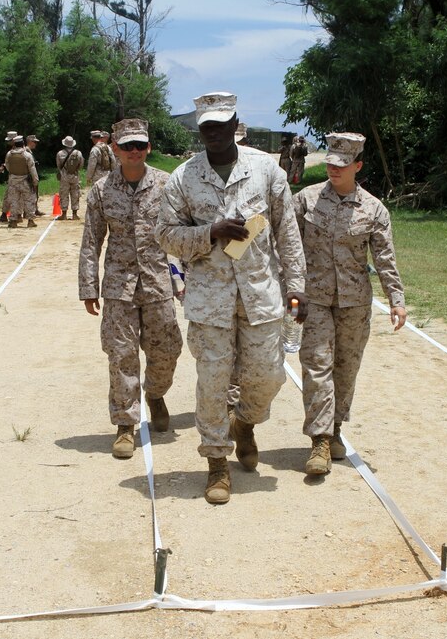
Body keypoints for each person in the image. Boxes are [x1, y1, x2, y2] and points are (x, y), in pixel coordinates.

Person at [157, 91, 307, 505]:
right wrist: (210, 232)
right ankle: (217, 463)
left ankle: (244, 423)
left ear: (234, 122)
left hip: (260, 295)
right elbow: (165, 235)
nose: (214, 132)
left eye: (221, 124)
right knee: (212, 384)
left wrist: (297, 286)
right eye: (206, 126)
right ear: (199, 128)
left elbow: (287, 232)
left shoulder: (265, 169)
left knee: (268, 376)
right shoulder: (183, 178)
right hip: (210, 301)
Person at [293, 133, 407, 475]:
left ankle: (335, 429)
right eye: (329, 162)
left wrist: (396, 300)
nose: (333, 169)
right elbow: (287, 247)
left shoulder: (374, 209)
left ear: (357, 165)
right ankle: (319, 441)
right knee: (317, 365)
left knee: (346, 369)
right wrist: (288, 290)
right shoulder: (306, 201)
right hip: (314, 299)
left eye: (341, 165)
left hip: (355, 303)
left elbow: (385, 258)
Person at [79, 118, 183, 459]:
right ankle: (125, 424)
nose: (134, 152)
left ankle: (154, 393)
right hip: (118, 287)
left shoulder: (167, 185)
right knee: (121, 355)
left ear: (148, 148)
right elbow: (92, 240)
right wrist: (88, 286)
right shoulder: (101, 190)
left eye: (140, 145)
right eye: (127, 146)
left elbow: (183, 235)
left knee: (167, 350)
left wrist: (187, 279)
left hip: (158, 281)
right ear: (115, 149)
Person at [3, 135, 38, 228]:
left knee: (13, 201)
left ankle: (13, 221)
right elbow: (32, 169)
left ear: (14, 143)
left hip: (13, 181)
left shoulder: (9, 154)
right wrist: (35, 181)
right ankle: (30, 220)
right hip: (25, 180)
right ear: (23, 143)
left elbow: (7, 166)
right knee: (29, 200)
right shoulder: (27, 155)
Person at [56, 136, 84, 220]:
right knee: (75, 194)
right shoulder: (78, 153)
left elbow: (58, 165)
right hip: (75, 175)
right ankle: (74, 214)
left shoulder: (60, 153)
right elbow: (81, 165)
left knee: (64, 194)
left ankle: (64, 214)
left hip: (64, 176)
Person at [0, 131, 16, 223]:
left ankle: (5, 215)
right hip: (17, 175)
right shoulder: (14, 150)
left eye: (10, 140)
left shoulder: (13, 151)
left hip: (15, 175)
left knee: (9, 196)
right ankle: (10, 215)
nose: (8, 142)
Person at [25, 134, 43, 216]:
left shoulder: (30, 151)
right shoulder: (26, 151)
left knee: (35, 193)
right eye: (34, 142)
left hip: (32, 176)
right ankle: (27, 212)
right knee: (30, 195)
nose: (35, 144)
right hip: (28, 176)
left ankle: (35, 209)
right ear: (29, 142)